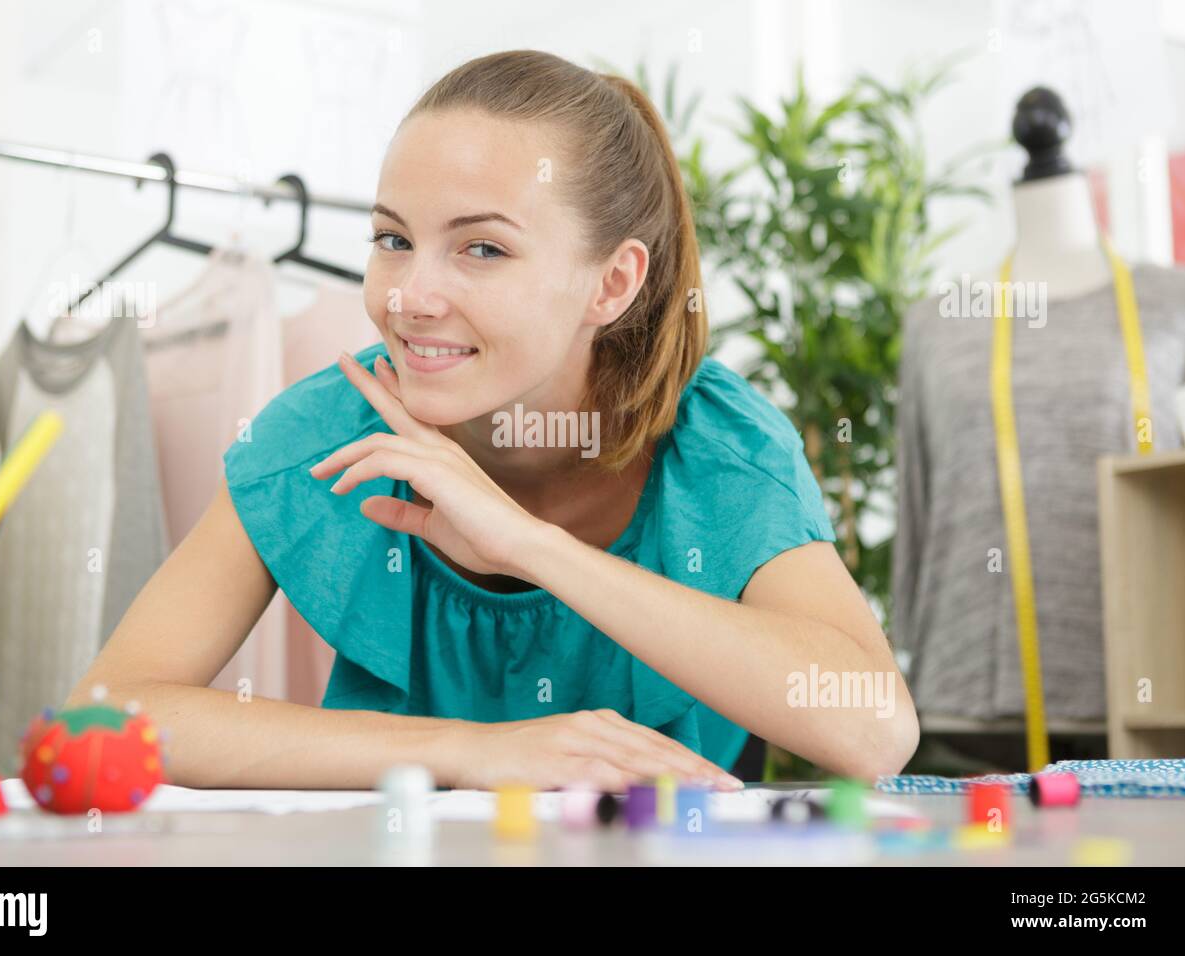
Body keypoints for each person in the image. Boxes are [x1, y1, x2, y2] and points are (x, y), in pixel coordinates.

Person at [68, 49, 918, 791]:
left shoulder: (715, 447)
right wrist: (477, 753)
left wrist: (527, 545)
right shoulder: (325, 434)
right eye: (392, 239)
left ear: (611, 285)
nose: (408, 297)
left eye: (482, 249)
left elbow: (873, 730)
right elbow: (106, 718)